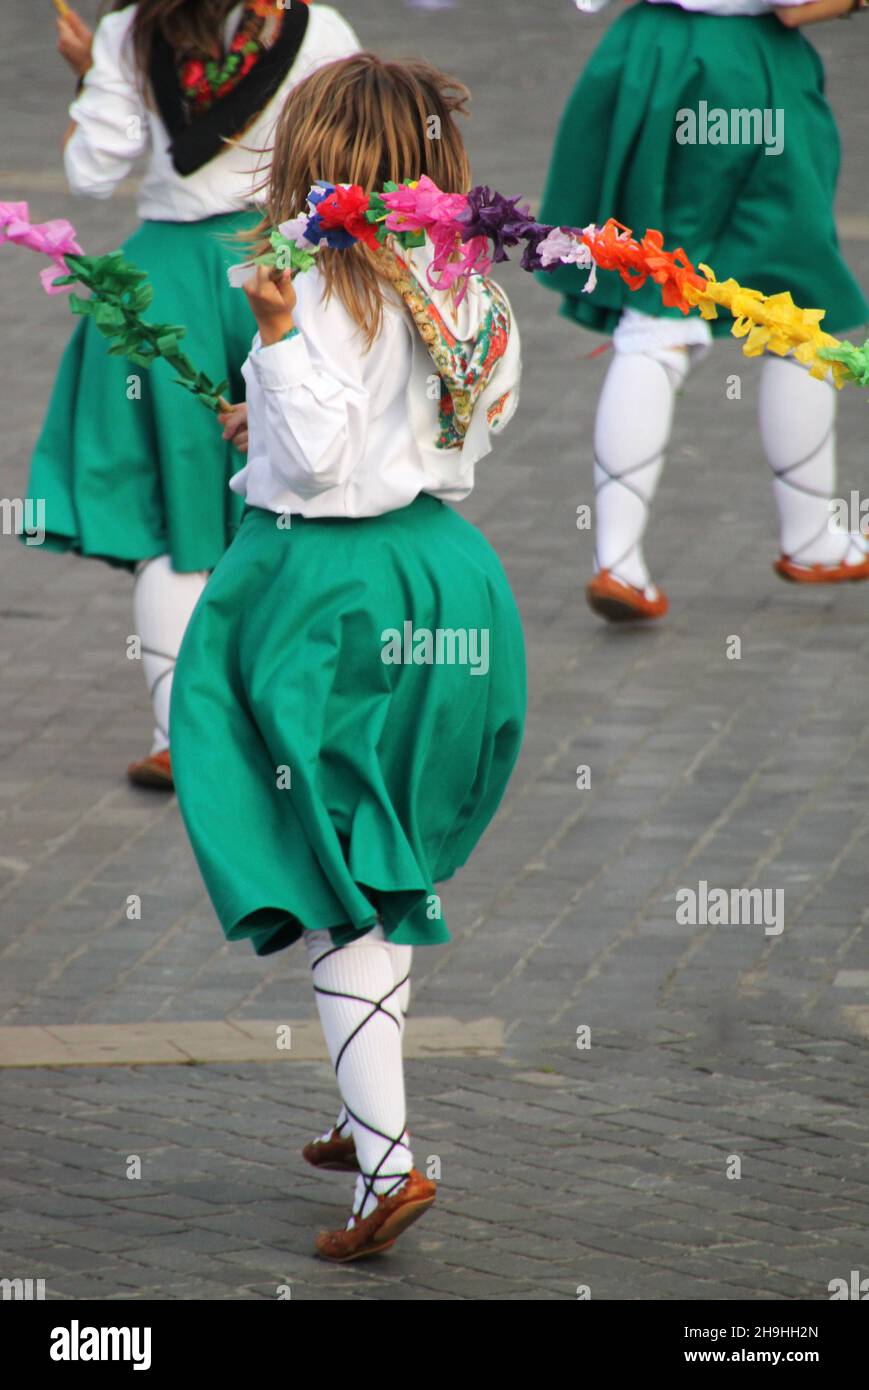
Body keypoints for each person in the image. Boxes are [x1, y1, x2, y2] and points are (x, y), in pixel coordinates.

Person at [169, 53, 526, 1260]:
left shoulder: (310, 285)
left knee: (338, 880)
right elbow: (456, 421)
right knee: (376, 854)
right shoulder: (467, 280)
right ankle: (354, 1100)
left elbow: (322, 457)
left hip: (330, 592)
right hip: (447, 576)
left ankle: (387, 1169)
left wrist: (272, 341)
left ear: (316, 158)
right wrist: (263, 412)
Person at [26, 0, 359, 785]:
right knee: (296, 497)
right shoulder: (321, 30)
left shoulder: (131, 28)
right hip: (275, 271)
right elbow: (346, 171)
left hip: (159, 282)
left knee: (172, 527)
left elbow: (92, 171)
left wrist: (93, 81)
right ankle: (292, 726)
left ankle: (177, 733)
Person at [537, 0, 869, 622]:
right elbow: (800, 8)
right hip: (748, 63)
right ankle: (810, 536)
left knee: (659, 297)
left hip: (651, 52)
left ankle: (619, 560)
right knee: (792, 301)